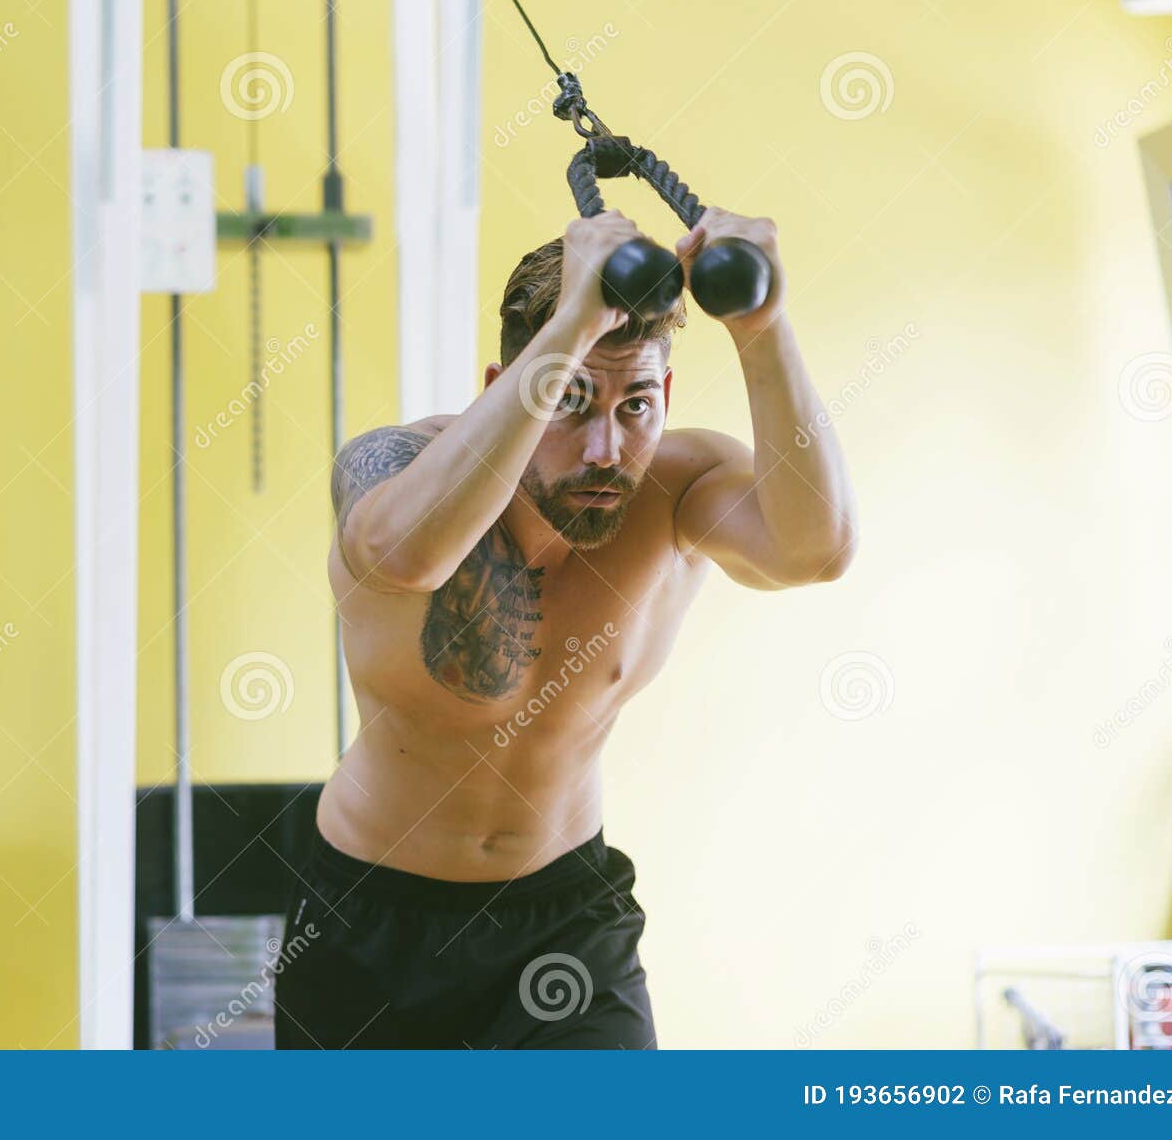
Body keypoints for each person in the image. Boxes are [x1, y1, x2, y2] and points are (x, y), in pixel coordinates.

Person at [273, 207, 857, 1048]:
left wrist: (764, 324)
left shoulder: (678, 489)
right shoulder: (398, 468)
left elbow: (817, 549)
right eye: (570, 400)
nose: (603, 450)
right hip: (366, 920)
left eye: (636, 406)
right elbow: (403, 558)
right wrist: (578, 315)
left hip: (565, 921)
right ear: (502, 387)